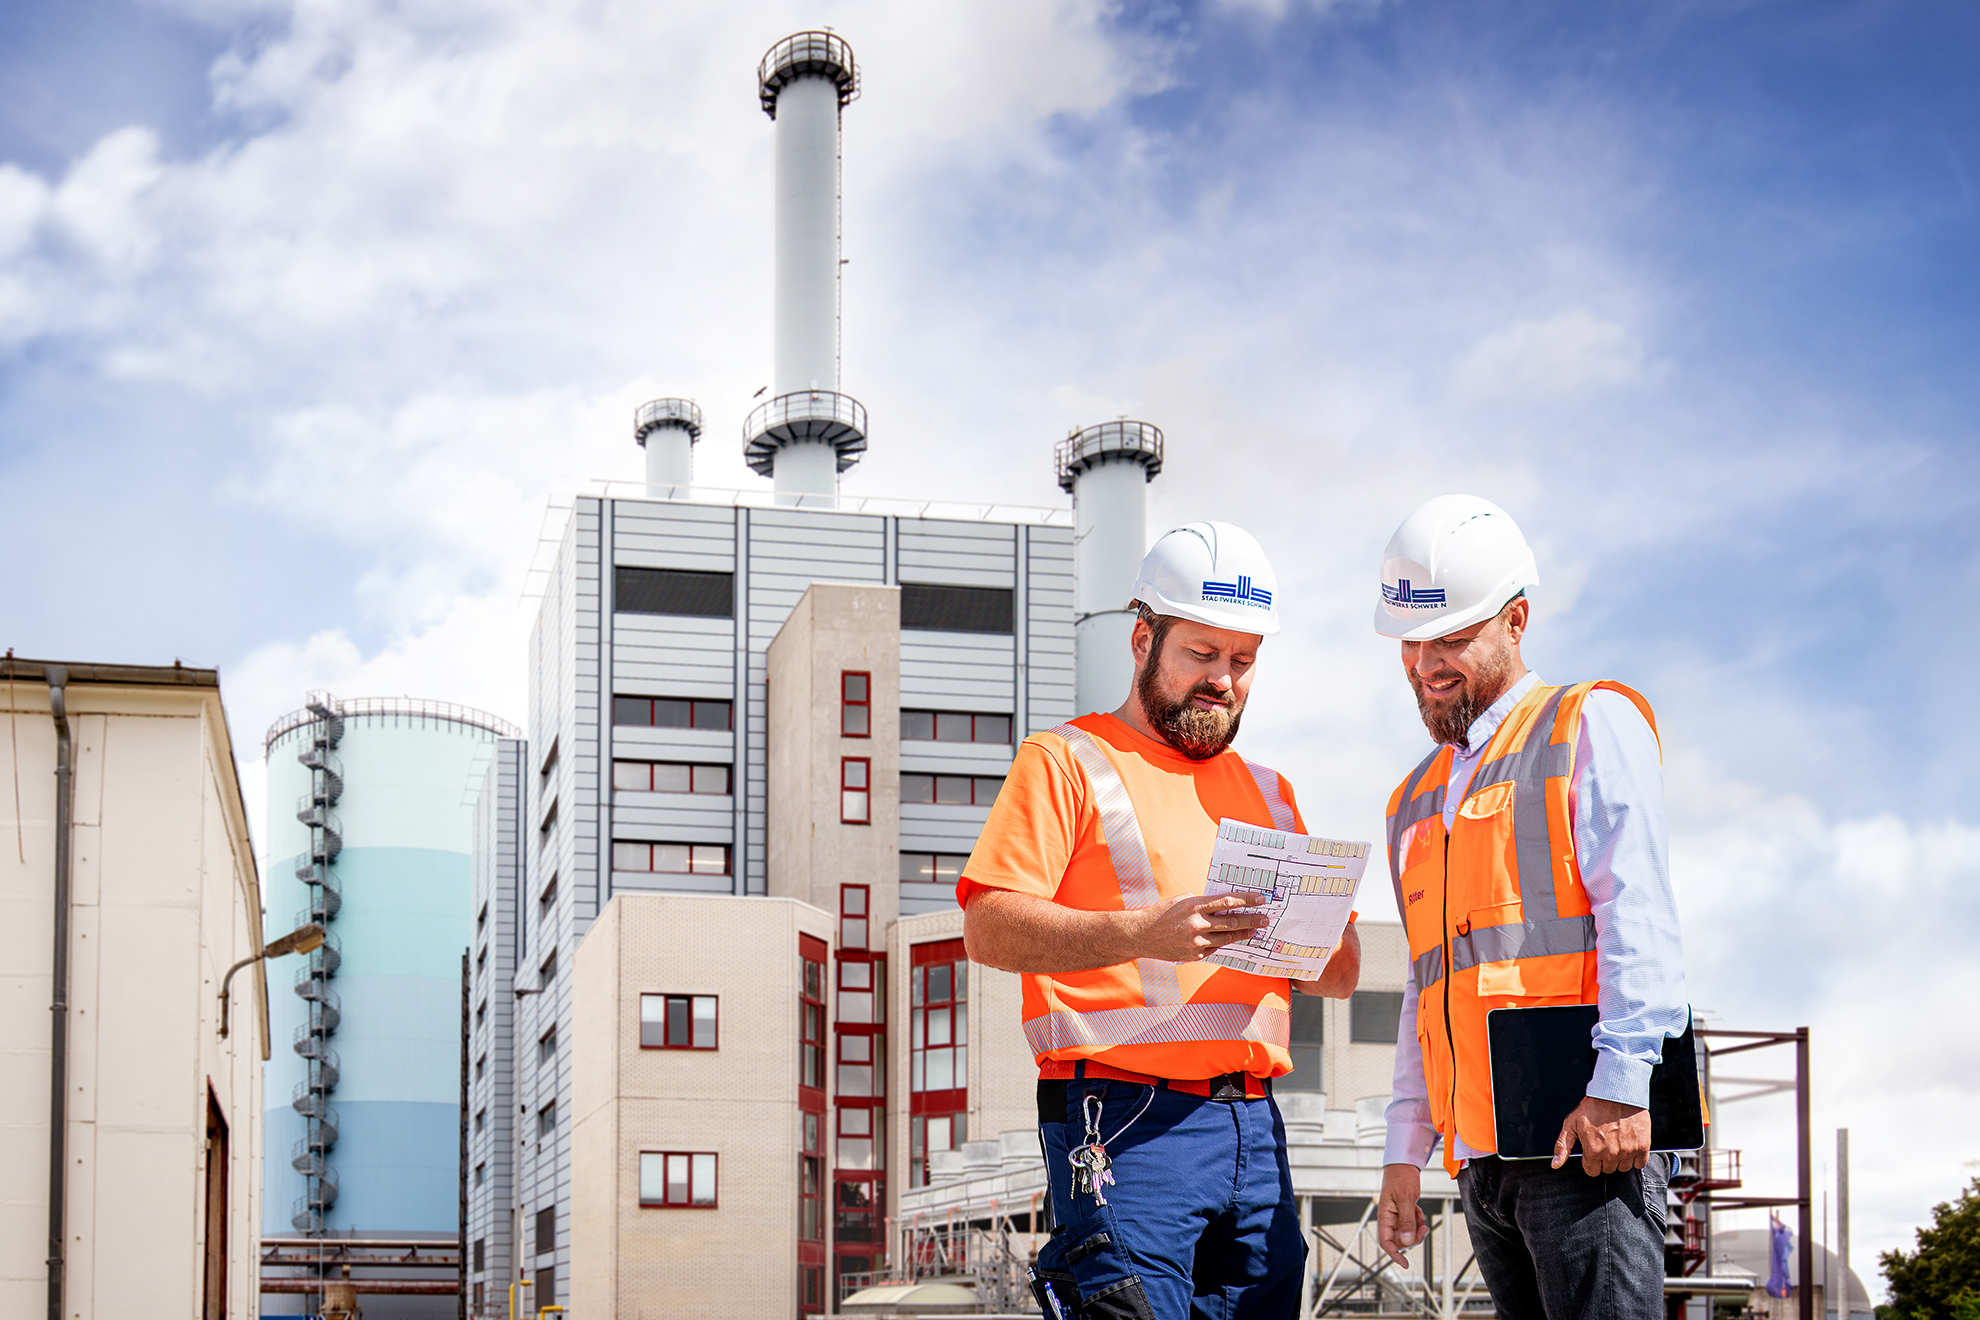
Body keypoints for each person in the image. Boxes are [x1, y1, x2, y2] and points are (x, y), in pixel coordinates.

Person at [962, 520, 1361, 1320]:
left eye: (1243, 661)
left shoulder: (1273, 793)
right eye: (1201, 655)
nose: (1224, 679)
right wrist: (1144, 933)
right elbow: (991, 928)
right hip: (1123, 1125)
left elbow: (1342, 975)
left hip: (1254, 1128)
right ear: (1143, 640)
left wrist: (1315, 933)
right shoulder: (1066, 760)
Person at [1368, 495, 1689, 1320]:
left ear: (1516, 620)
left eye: (1451, 638)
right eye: (1412, 641)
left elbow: (1638, 917)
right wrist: (1407, 1149)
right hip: (1482, 1162)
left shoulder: (1588, 724)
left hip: (1584, 1141)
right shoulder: (1413, 799)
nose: (1425, 663)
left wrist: (1622, 1086)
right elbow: (1425, 988)